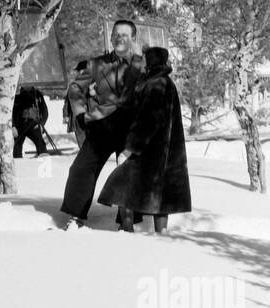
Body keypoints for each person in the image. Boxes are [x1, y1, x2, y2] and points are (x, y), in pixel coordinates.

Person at [96, 46, 192, 232]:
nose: (142, 60)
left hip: (149, 150)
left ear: (152, 61)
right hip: (162, 150)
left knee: (121, 183)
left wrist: (130, 148)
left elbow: (147, 121)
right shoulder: (162, 82)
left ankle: (127, 227)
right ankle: (160, 231)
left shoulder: (155, 84)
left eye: (145, 58)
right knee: (159, 191)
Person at [59, 20, 144, 226]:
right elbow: (75, 88)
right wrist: (80, 113)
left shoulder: (143, 65)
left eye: (124, 35)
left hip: (132, 127)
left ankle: (128, 222)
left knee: (131, 170)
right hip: (103, 125)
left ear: (133, 39)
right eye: (116, 34)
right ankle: (75, 216)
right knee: (81, 168)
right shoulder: (97, 64)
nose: (119, 38)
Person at [12, 86, 50, 158]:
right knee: (17, 147)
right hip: (19, 125)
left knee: (41, 145)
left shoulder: (37, 94)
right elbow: (11, 112)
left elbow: (44, 111)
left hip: (34, 124)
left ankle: (44, 164)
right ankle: (18, 165)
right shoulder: (16, 94)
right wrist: (13, 126)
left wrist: (42, 124)